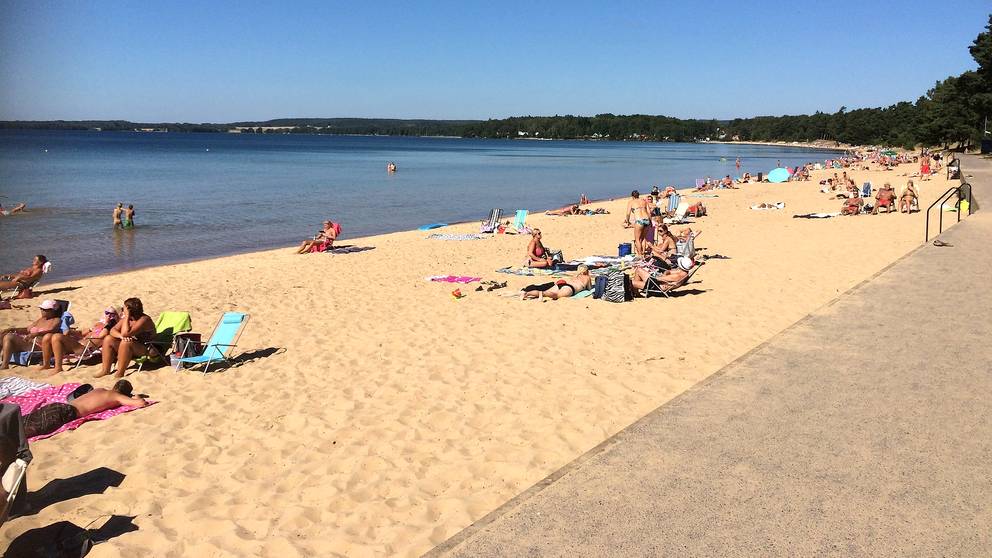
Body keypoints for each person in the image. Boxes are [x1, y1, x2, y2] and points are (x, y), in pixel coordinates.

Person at [21, 379, 147, 439]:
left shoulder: (100, 389)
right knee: (22, 433)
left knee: (18, 422)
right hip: (66, 413)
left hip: (58, 405)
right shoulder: (116, 396)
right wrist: (134, 397)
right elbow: (141, 403)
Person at [39, 307, 119, 375]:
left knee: (57, 337)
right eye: (107, 312)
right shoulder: (98, 324)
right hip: (77, 343)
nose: (108, 315)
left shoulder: (111, 327)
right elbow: (82, 333)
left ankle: (58, 367)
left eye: (112, 314)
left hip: (85, 348)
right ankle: (46, 364)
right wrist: (71, 331)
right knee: (47, 336)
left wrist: (108, 324)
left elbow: (102, 336)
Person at [96, 297, 155, 379]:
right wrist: (121, 336)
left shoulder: (144, 320)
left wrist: (126, 316)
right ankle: (105, 370)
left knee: (126, 342)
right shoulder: (128, 319)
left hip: (146, 348)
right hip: (132, 345)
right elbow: (113, 330)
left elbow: (125, 333)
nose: (122, 310)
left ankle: (120, 373)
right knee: (108, 339)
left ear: (129, 310)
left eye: (123, 308)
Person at [0, 300, 64, 370]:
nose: (42, 311)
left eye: (45, 309)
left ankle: (5, 365)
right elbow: (27, 329)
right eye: (41, 309)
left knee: (9, 337)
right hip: (29, 342)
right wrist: (12, 329)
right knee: (2, 335)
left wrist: (37, 333)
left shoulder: (57, 320)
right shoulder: (41, 319)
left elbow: (52, 330)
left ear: (53, 311)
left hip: (39, 346)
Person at [520, 266, 591, 300]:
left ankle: (526, 293)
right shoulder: (587, 277)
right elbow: (589, 288)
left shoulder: (575, 275)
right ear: (586, 271)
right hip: (569, 288)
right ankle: (542, 293)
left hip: (562, 284)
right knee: (556, 295)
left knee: (547, 292)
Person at [624, 190, 651, 257]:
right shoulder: (644, 201)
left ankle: (640, 254)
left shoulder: (631, 202)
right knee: (643, 238)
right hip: (646, 220)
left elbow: (628, 214)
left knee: (637, 239)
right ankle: (643, 253)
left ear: (632, 196)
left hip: (639, 221)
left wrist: (627, 221)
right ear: (638, 195)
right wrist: (650, 222)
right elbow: (649, 212)